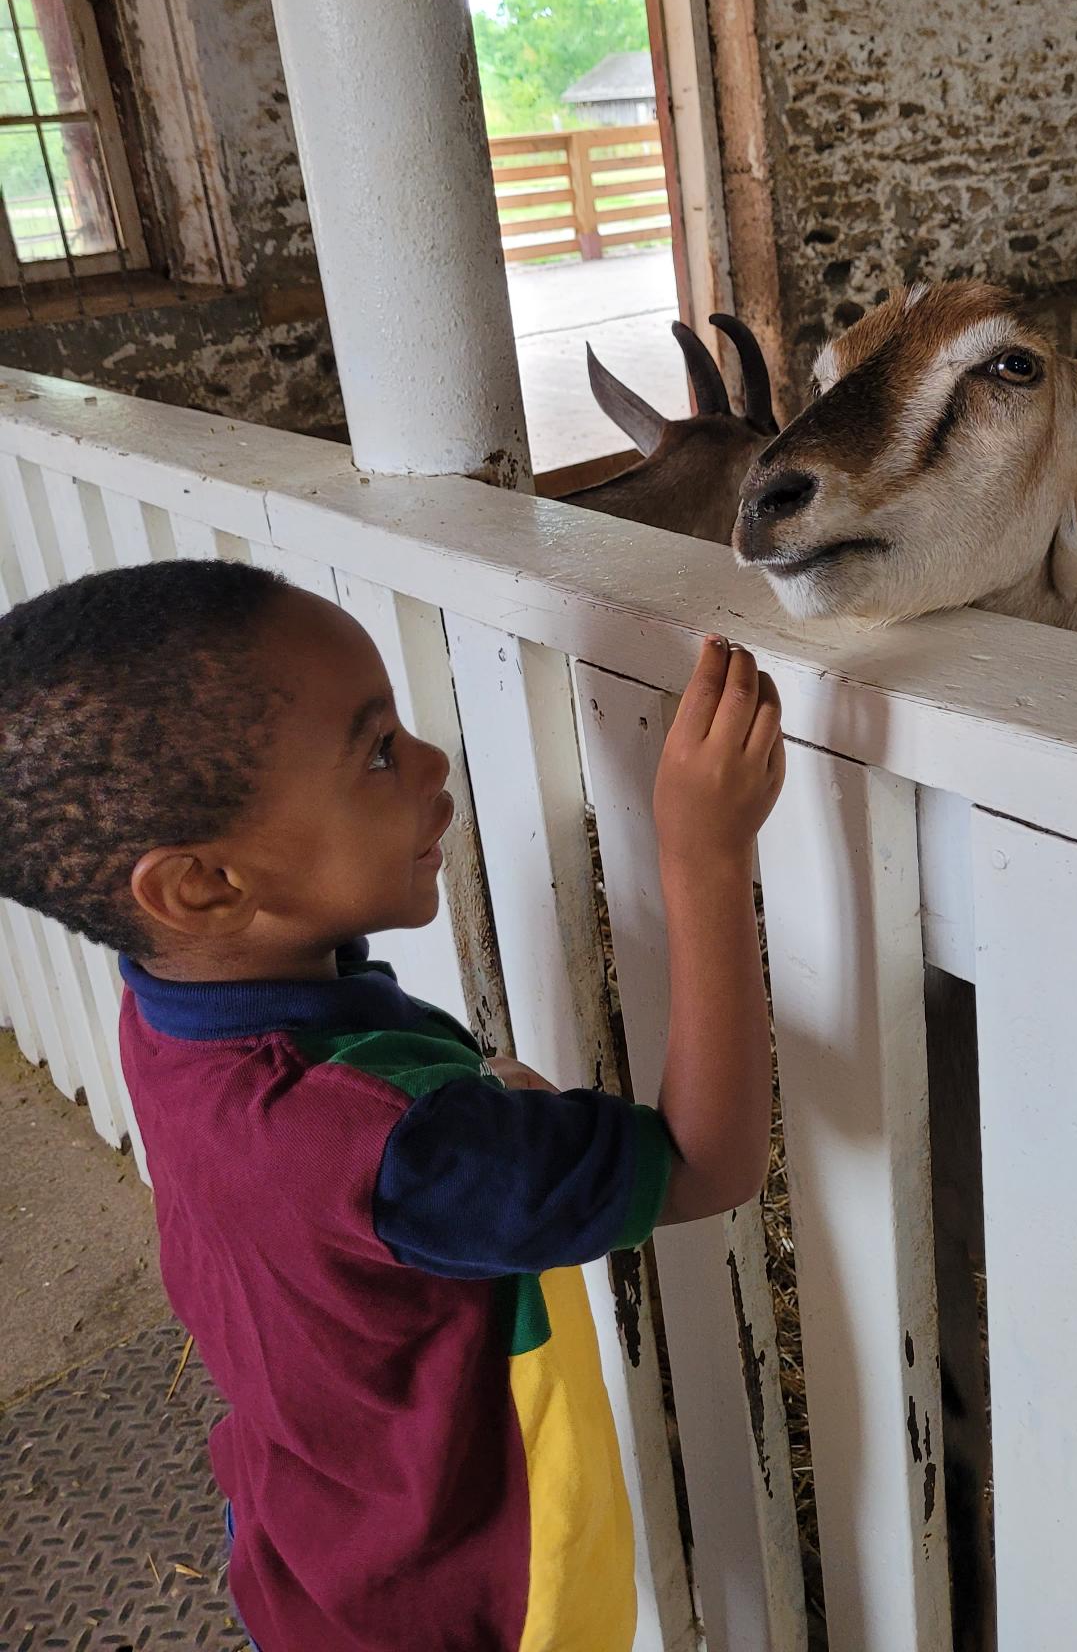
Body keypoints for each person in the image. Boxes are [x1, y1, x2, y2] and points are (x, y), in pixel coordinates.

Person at [0, 559, 785, 1651]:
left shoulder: (178, 1015)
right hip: (475, 1607)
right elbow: (710, 1163)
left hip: (309, 1546)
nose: (430, 761)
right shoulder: (396, 1149)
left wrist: (470, 1088)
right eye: (376, 752)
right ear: (203, 888)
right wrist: (706, 856)